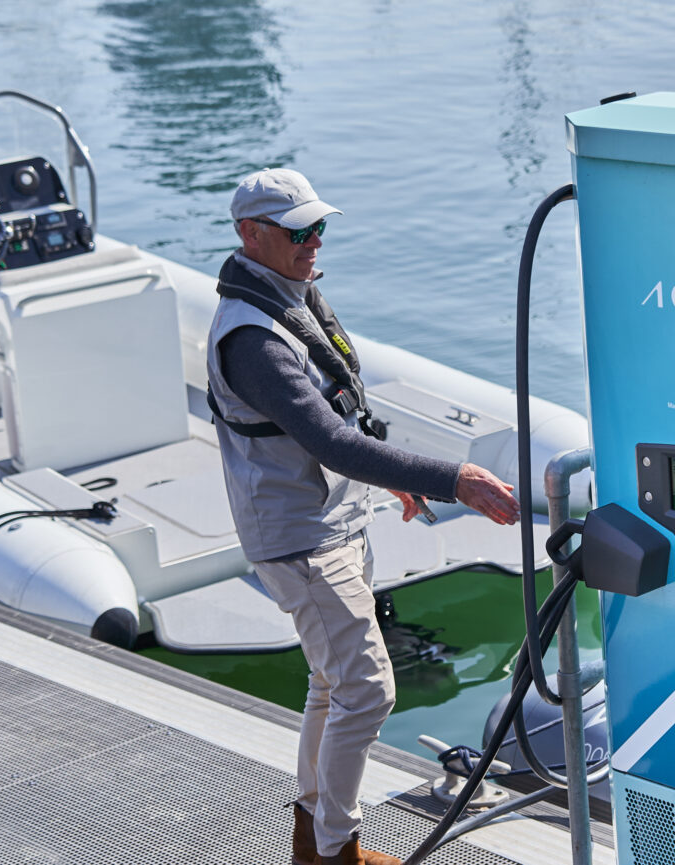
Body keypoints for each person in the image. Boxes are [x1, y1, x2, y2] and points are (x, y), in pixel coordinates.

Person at [205, 168, 521, 865]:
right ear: (249, 235)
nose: (315, 241)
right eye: (299, 232)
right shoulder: (253, 339)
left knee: (332, 681)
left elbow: (344, 407)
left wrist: (390, 476)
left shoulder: (292, 293)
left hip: (337, 522)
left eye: (320, 226)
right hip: (301, 539)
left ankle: (313, 837)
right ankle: (337, 849)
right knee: (369, 688)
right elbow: (327, 440)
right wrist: (453, 479)